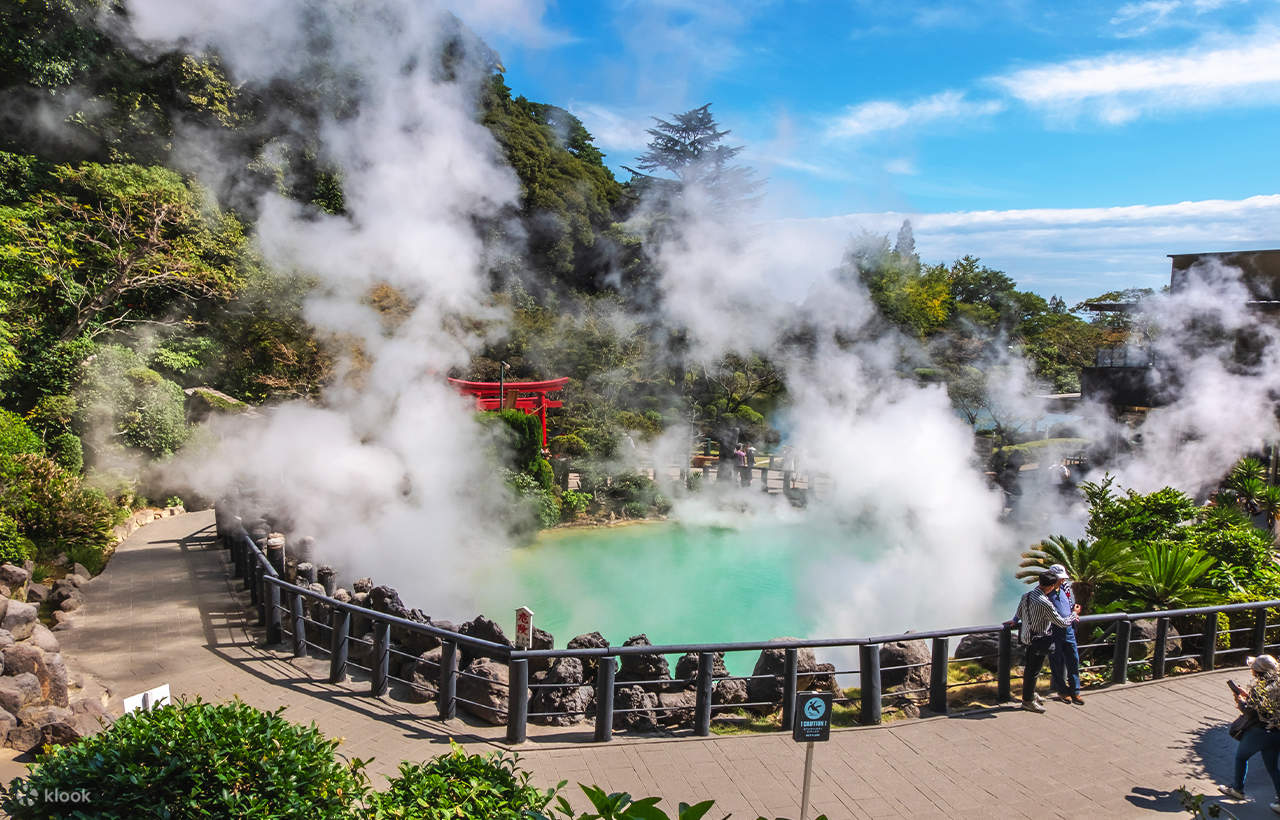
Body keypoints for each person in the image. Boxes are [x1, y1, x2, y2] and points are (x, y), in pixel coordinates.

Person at [1005, 570, 1080, 712]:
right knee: (1033, 671)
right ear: (1051, 586)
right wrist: (1074, 614)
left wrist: (1015, 620)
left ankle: (1031, 694)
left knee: (1030, 669)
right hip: (1039, 640)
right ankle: (1027, 701)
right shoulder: (1045, 602)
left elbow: (1020, 611)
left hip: (1027, 637)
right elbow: (1062, 622)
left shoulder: (1026, 596)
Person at [1220, 654, 1280, 812]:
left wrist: (1240, 700)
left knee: (1241, 757)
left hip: (1260, 732)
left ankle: (1237, 789)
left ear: (1258, 672)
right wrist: (1246, 695)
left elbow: (1250, 712)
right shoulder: (1276, 685)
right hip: (1276, 732)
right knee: (1273, 767)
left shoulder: (1260, 689)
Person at [1046, 564, 1083, 705]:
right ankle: (1062, 691)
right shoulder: (1045, 590)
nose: (1061, 581)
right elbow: (1030, 603)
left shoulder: (1065, 588)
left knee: (1073, 659)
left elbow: (1069, 603)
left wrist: (1074, 612)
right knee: (1057, 662)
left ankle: (1075, 691)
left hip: (1068, 630)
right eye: (1059, 578)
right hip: (1053, 631)